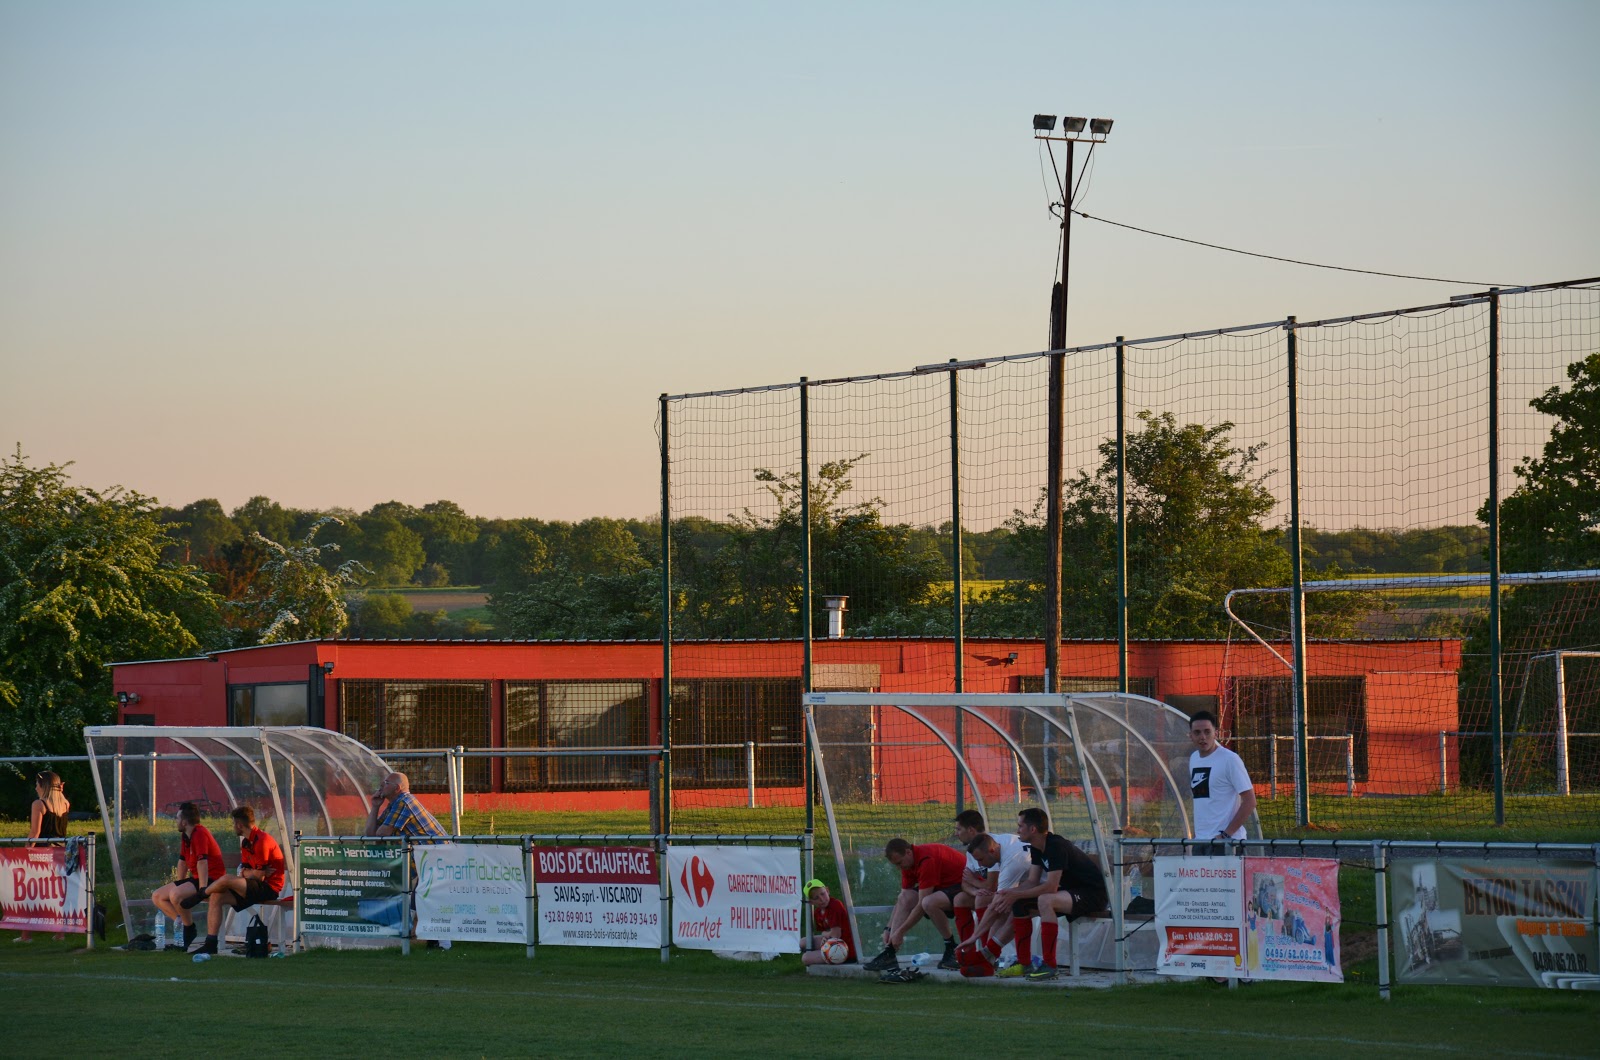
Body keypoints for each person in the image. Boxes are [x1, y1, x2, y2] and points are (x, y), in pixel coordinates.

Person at [987, 807, 1108, 981]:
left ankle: (1050, 965)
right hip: (1070, 893)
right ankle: (1024, 963)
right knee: (1020, 904)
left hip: (1092, 895)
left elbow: (1050, 887)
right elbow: (1031, 881)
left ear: (1033, 829)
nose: (1017, 830)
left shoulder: (1055, 846)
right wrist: (1009, 893)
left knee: (1045, 900)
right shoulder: (1036, 846)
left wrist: (1017, 894)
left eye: (1020, 826)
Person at [184, 806, 286, 958]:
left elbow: (259, 877)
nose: (233, 827)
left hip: (268, 888)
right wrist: (249, 872)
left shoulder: (262, 840)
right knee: (216, 896)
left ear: (239, 824)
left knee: (226, 879)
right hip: (252, 886)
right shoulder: (246, 843)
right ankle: (210, 944)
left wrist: (250, 873)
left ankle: (201, 893)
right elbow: (243, 870)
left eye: (233, 824)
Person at [861, 837, 965, 972]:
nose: (899, 868)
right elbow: (903, 900)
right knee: (906, 897)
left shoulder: (926, 860)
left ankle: (951, 948)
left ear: (908, 852)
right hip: (943, 886)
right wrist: (889, 928)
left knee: (928, 903)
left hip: (963, 886)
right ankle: (890, 954)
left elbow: (921, 906)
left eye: (899, 863)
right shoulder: (907, 863)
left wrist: (900, 932)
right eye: (896, 865)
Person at [955, 830, 1035, 974]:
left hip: (1053, 889)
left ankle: (1020, 962)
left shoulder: (1011, 860)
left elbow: (994, 895)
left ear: (992, 851)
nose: (980, 864)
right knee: (1001, 905)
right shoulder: (1002, 842)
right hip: (1034, 886)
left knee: (1016, 908)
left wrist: (974, 937)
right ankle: (989, 958)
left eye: (981, 860)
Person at [151, 802, 227, 951]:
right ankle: (187, 926)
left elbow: (203, 862)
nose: (175, 821)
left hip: (211, 879)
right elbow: (182, 862)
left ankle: (187, 931)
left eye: (177, 818)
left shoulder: (199, 833)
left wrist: (203, 889)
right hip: (198, 878)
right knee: (157, 896)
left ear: (185, 822)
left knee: (176, 895)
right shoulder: (186, 836)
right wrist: (180, 882)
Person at [1188, 710, 1256, 852]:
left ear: (1216, 733)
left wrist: (1226, 835)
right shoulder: (1194, 758)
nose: (1202, 737)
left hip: (1226, 844)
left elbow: (1250, 801)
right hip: (1201, 841)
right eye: (1197, 732)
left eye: (1207, 732)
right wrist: (1197, 835)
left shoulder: (1230, 759)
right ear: (1190, 736)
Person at [16, 771, 70, 942]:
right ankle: (60, 933)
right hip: (60, 853)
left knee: (29, 894)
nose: (35, 787)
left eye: (37, 784)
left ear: (43, 785)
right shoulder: (65, 804)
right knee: (56, 895)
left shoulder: (39, 804)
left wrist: (26, 850)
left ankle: (26, 935)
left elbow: (35, 832)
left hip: (40, 855)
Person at [364, 771, 449, 841]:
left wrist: (378, 831)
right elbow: (371, 834)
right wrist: (375, 806)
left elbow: (382, 833)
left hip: (436, 854)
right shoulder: (394, 804)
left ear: (397, 788)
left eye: (386, 783)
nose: (381, 786)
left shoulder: (404, 802)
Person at [800, 878, 856, 966]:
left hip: (845, 947)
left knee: (806, 958)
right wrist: (825, 937)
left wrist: (825, 936)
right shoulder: (818, 912)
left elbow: (835, 935)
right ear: (811, 902)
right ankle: (823, 955)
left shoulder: (835, 905)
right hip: (833, 943)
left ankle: (833, 957)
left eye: (823, 894)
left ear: (827, 890)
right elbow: (826, 932)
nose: (822, 899)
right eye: (816, 898)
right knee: (803, 942)